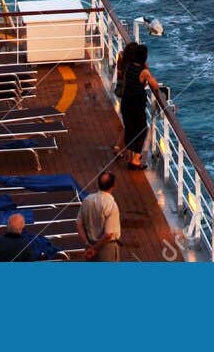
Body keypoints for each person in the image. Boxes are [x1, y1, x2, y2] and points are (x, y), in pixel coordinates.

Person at [116, 41, 160, 170]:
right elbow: (155, 86)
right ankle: (135, 160)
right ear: (144, 57)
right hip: (137, 104)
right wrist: (148, 73)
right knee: (141, 130)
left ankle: (130, 157)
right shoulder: (144, 71)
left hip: (126, 102)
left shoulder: (128, 66)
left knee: (129, 129)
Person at [76, 172, 121, 262]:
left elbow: (79, 224)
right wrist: (94, 249)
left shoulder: (87, 199)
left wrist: (87, 244)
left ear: (98, 184)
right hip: (106, 249)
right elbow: (108, 234)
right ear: (113, 186)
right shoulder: (111, 205)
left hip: (89, 245)